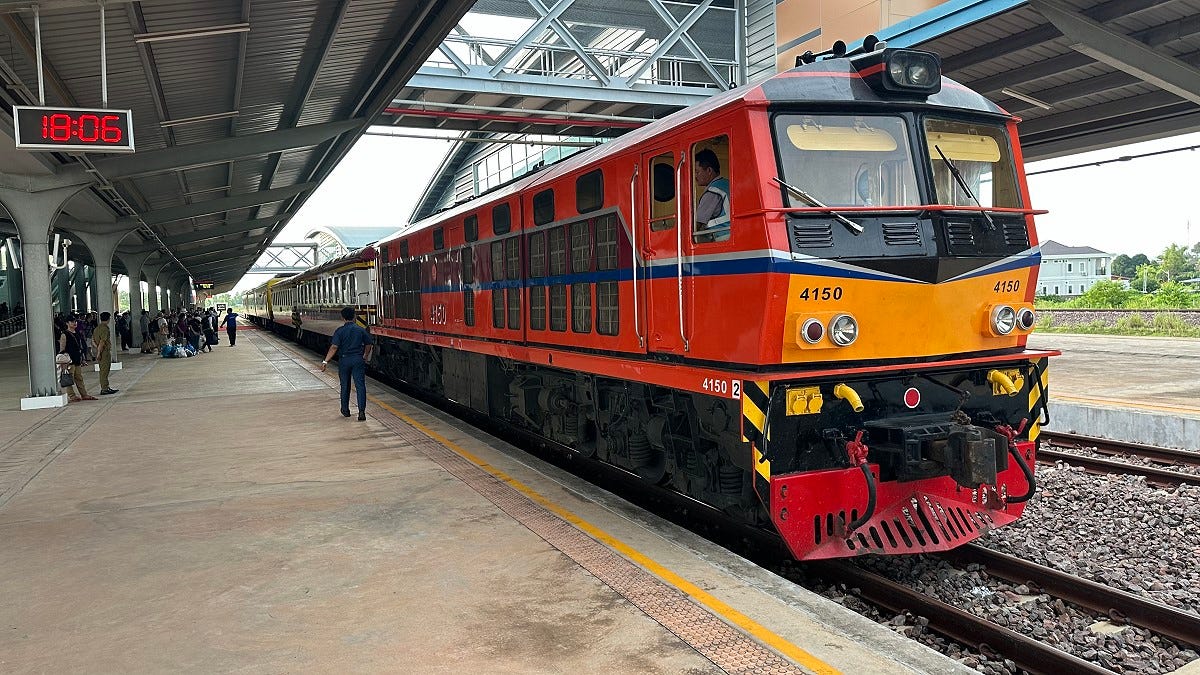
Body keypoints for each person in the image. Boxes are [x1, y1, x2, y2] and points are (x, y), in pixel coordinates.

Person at [320, 306, 373, 421]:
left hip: (344, 360)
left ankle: (345, 410)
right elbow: (368, 344)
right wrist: (365, 356)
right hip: (358, 360)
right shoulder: (360, 330)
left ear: (342, 317)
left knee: (345, 385)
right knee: (360, 386)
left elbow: (334, 347)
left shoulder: (339, 331)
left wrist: (325, 361)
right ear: (354, 316)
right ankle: (361, 412)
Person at [693, 148, 731, 243]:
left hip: (722, 239)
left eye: (697, 171)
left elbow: (697, 224)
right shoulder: (728, 184)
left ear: (709, 170)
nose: (695, 176)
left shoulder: (713, 192)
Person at [58, 315, 96, 401]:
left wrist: (82, 358)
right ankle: (72, 396)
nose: (74, 323)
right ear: (67, 323)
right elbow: (62, 349)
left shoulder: (77, 333)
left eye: (75, 321)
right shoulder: (64, 334)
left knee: (79, 378)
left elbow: (80, 347)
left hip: (77, 359)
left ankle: (84, 394)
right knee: (68, 378)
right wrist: (64, 361)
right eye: (72, 322)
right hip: (69, 361)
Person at [94, 312, 118, 395]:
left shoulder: (97, 328)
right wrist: (99, 353)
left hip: (100, 350)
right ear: (108, 319)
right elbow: (102, 341)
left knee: (103, 370)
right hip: (104, 352)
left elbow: (93, 341)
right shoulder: (105, 328)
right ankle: (104, 388)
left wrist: (97, 349)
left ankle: (106, 387)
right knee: (104, 371)